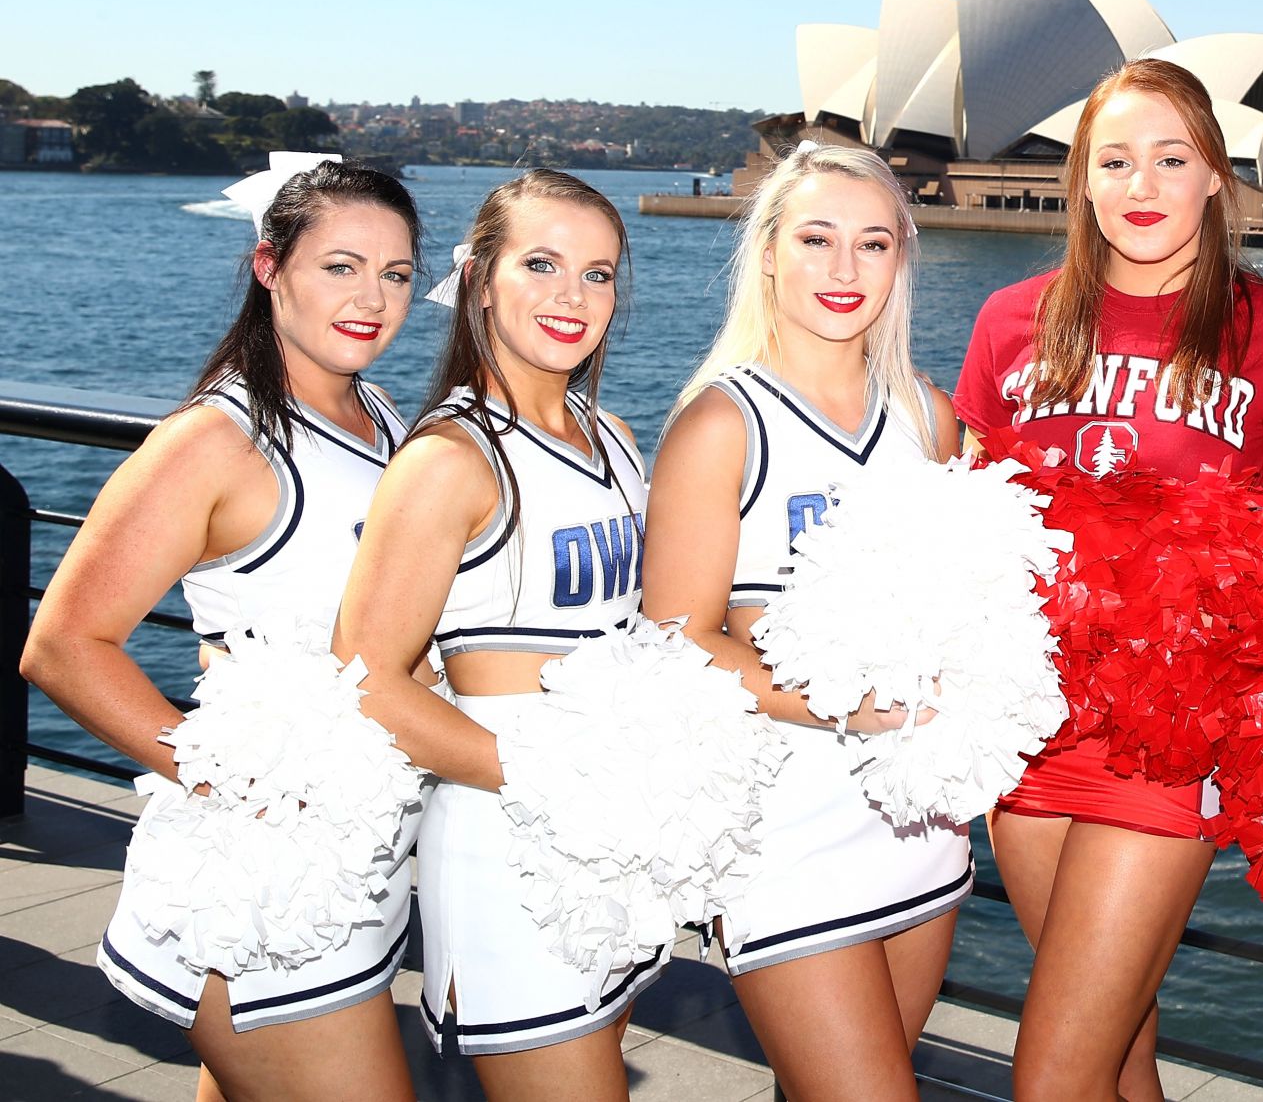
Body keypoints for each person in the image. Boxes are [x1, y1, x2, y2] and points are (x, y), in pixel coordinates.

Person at [952, 59, 1263, 1102]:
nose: (1141, 185)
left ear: (1215, 178)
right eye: (1114, 160)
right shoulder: (1008, 320)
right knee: (1112, 1044)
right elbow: (960, 516)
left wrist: (1226, 593)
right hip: (1024, 717)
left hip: (1166, 738)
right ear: (1080, 181)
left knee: (1052, 1074)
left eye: (1170, 159)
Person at [21, 159, 423, 1102]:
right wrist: (237, 783)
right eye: (341, 266)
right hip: (258, 878)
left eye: (396, 274)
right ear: (269, 267)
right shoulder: (219, 439)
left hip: (353, 871)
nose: (372, 297)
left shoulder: (381, 419)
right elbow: (64, 643)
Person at [642, 141, 969, 1102]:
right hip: (788, 830)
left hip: (922, 820)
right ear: (770, 252)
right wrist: (847, 705)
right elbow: (678, 642)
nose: (843, 269)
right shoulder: (723, 423)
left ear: (901, 260)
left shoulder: (927, 419)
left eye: (873, 244)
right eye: (816, 238)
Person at [333, 170, 652, 1097]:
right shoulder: (451, 459)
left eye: (598, 274)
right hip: (508, 844)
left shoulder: (617, 439)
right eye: (542, 263)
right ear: (479, 278)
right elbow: (363, 679)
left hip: (613, 845)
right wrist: (547, 777)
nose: (571, 295)